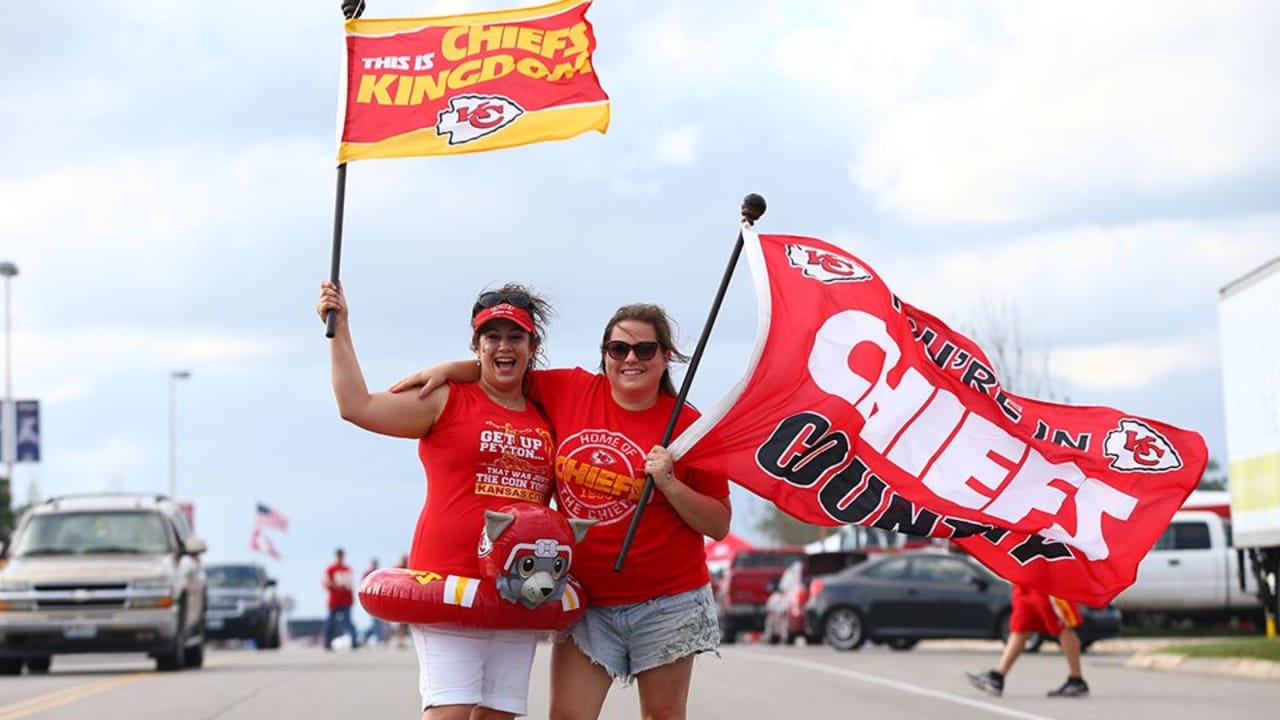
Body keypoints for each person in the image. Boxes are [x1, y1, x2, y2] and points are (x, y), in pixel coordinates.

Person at [392, 302, 732, 720]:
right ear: (604, 355)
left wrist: (669, 483)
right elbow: (504, 369)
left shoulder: (689, 426)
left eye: (644, 350)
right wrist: (449, 369)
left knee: (662, 716)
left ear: (666, 357)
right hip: (585, 600)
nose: (630, 359)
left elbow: (718, 523)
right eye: (617, 348)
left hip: (667, 602)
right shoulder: (570, 389)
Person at [318, 280, 557, 720]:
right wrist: (341, 328)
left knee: (499, 715)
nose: (503, 347)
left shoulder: (548, 411)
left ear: (532, 345)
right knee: (450, 711)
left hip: (517, 587)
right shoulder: (444, 399)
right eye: (492, 338)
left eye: (515, 337)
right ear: (476, 344)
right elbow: (356, 406)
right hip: (447, 584)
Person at [966, 583, 1091, 698]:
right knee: (1019, 628)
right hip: (1024, 583)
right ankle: (997, 676)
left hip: (1045, 582)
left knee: (1063, 625)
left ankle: (1076, 679)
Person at [323, 547, 360, 651]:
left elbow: (350, 584)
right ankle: (327, 642)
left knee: (348, 621)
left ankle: (354, 641)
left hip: (346, 600)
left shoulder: (347, 569)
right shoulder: (330, 569)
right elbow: (326, 583)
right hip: (334, 601)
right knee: (330, 622)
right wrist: (336, 585)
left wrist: (352, 598)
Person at [361, 557, 387, 646]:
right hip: (370, 599)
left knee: (377, 621)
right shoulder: (368, 573)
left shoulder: (380, 573)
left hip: (378, 599)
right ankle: (379, 639)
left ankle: (365, 636)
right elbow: (362, 585)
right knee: (376, 620)